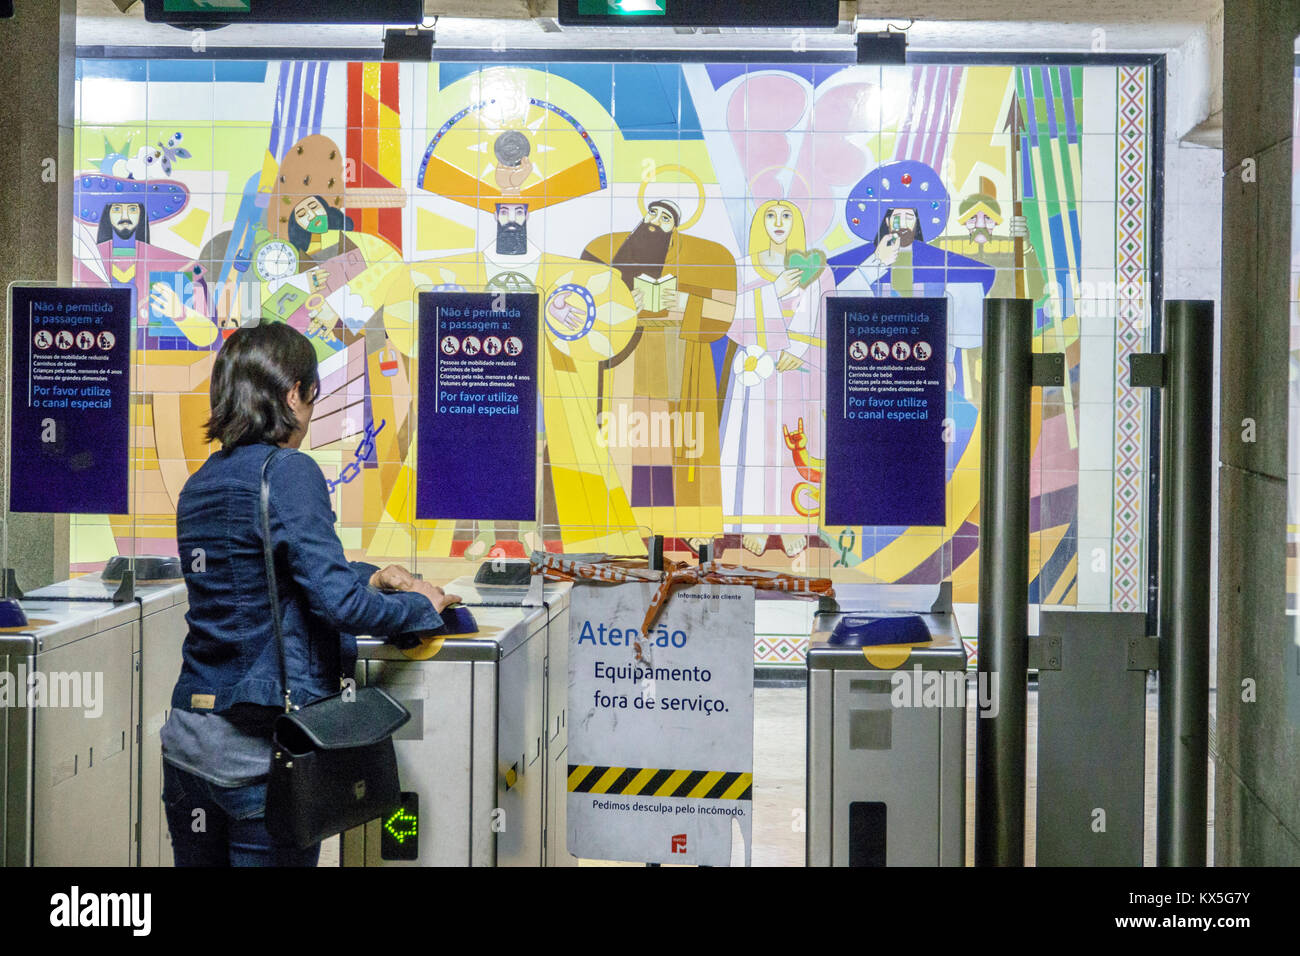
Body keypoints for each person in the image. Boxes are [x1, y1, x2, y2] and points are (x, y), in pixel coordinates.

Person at [159, 321, 459, 867]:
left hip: (188, 747)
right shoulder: (289, 470)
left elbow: (264, 579)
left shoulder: (201, 482)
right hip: (260, 760)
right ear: (294, 393)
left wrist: (369, 575)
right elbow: (336, 605)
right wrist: (421, 607)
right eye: (313, 397)